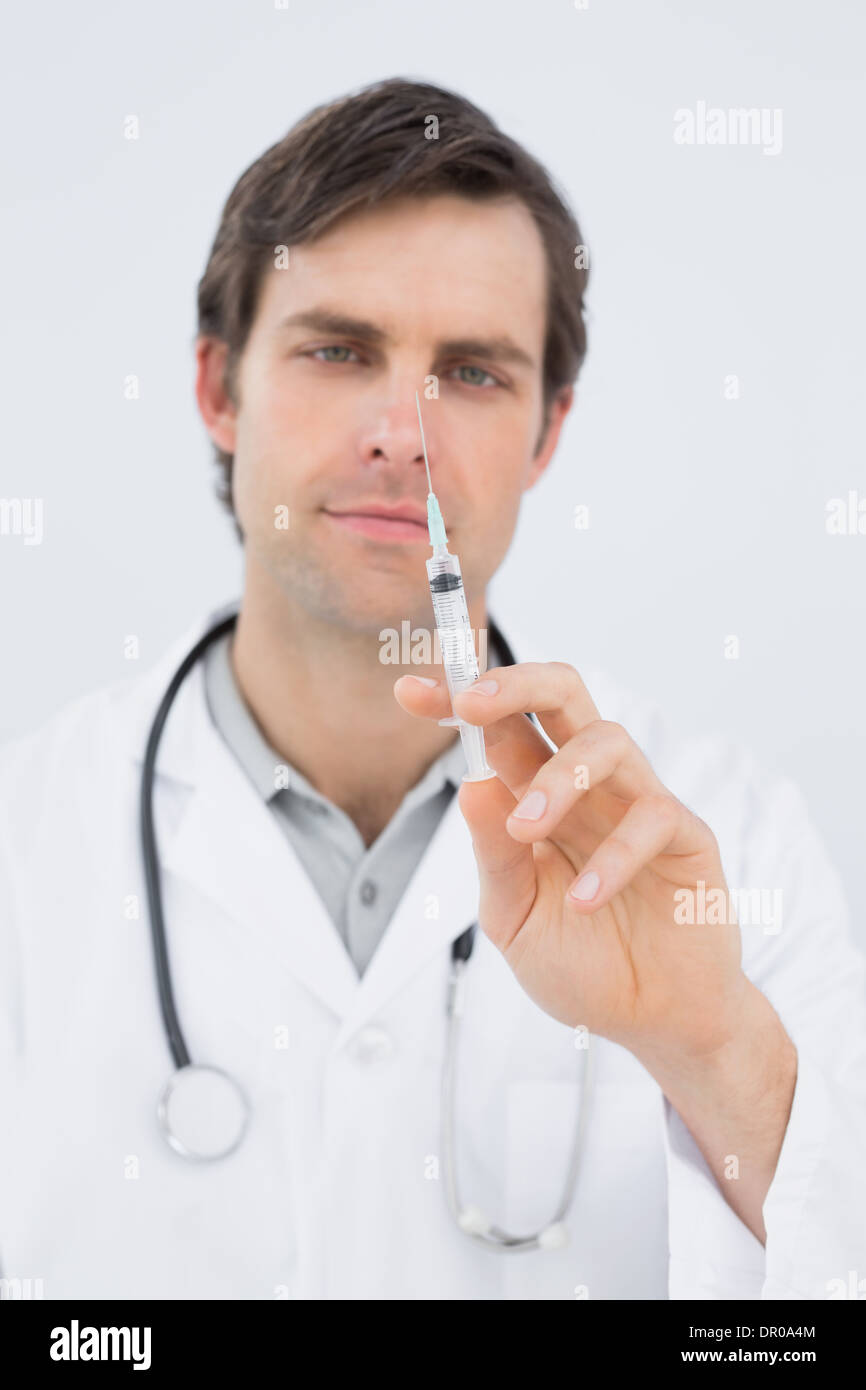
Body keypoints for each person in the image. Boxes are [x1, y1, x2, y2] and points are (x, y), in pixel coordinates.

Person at [1, 77, 864, 1302]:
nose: (401, 434)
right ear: (216, 391)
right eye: (337, 350)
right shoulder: (23, 846)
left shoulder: (728, 834)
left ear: (545, 434)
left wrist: (709, 1043)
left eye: (470, 373)